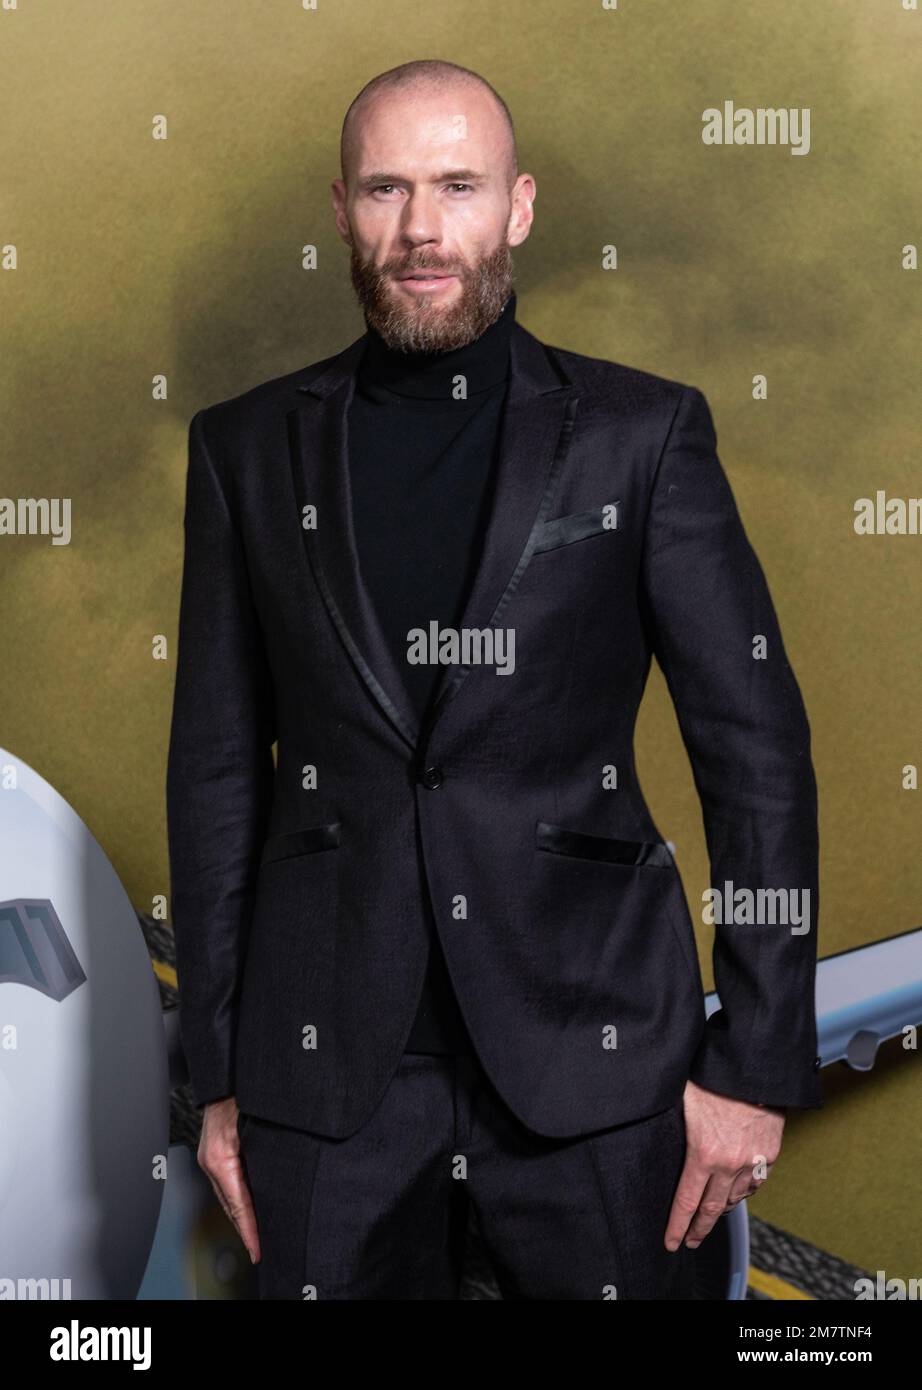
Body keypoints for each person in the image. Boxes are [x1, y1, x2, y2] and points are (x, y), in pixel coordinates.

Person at [166, 59, 823, 1300]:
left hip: (601, 1068)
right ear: (341, 208)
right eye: (387, 189)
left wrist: (754, 1061)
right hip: (325, 1085)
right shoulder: (243, 449)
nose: (421, 229)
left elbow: (757, 756)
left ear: (516, 207)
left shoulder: (644, 432)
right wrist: (222, 1077)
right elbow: (212, 775)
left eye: (457, 187)